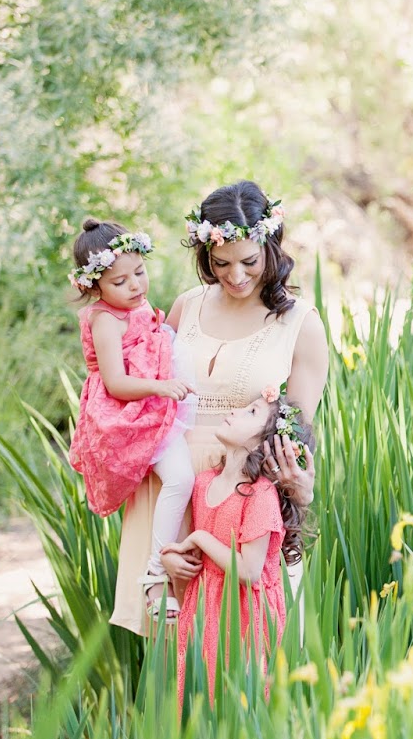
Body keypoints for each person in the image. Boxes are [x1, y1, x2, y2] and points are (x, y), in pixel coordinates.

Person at [108, 181, 328, 636]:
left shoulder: (299, 323)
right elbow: (145, 381)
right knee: (171, 640)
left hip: (237, 491)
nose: (236, 276)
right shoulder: (186, 305)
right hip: (169, 481)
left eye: (249, 261)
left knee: (237, 638)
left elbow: (295, 428)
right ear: (205, 253)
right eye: (221, 263)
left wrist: (299, 488)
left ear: (270, 246)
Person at [65, 220, 195, 608]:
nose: (135, 286)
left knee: (186, 477)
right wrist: (161, 387)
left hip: (154, 404)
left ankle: (166, 565)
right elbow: (116, 382)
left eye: (139, 272)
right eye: (120, 281)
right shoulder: (105, 320)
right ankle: (156, 573)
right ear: (94, 286)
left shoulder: (138, 307)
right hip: (126, 415)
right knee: (180, 478)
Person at [161, 387, 313, 701]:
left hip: (245, 616)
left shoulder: (260, 495)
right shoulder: (204, 481)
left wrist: (200, 538)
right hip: (205, 608)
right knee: (201, 697)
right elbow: (192, 553)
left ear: (266, 443)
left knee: (240, 700)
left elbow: (249, 570)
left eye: (251, 412)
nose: (235, 411)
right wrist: (172, 560)